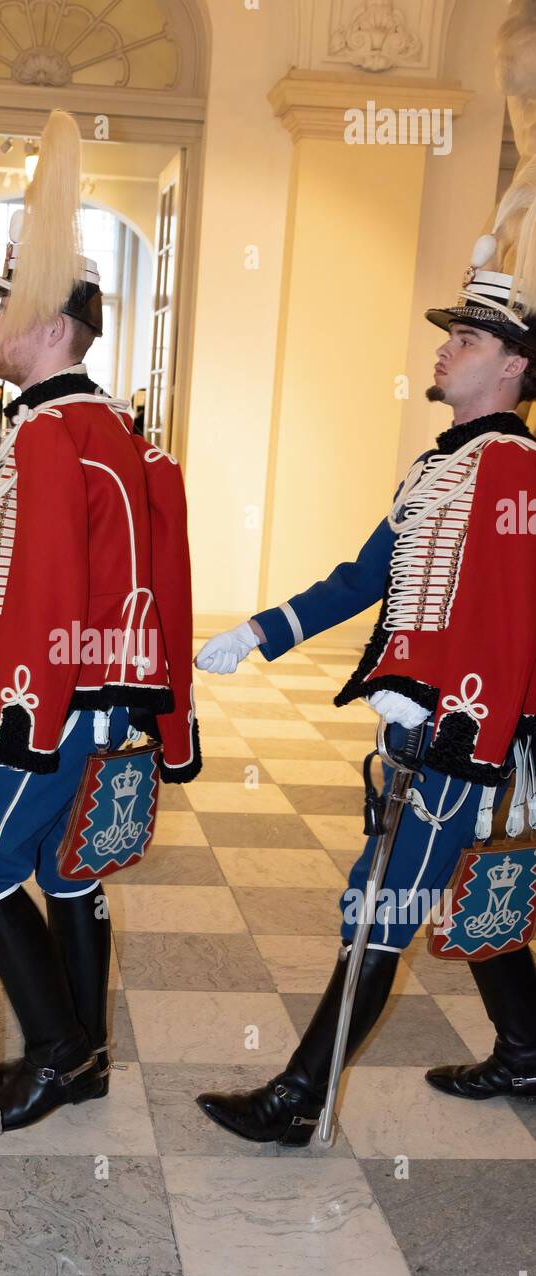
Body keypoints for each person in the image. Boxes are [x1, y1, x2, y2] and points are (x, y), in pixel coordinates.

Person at [194, 216, 536, 1145]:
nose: (443, 348)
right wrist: (265, 631)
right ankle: (527, 1047)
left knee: (386, 899)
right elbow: (364, 577)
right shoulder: (441, 464)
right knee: (462, 881)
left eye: (465, 339)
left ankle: (297, 1098)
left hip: (465, 736)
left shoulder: (513, 467)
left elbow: (508, 621)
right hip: (433, 724)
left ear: (511, 367)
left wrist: (440, 706)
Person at [0, 112, 200, 1134]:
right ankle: (88, 1061)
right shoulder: (114, 432)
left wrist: (18, 706)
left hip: (54, 704)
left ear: (46, 325)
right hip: (98, 702)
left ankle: (59, 1049)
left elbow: (52, 594)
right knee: (70, 874)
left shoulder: (53, 436)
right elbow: (21, 577)